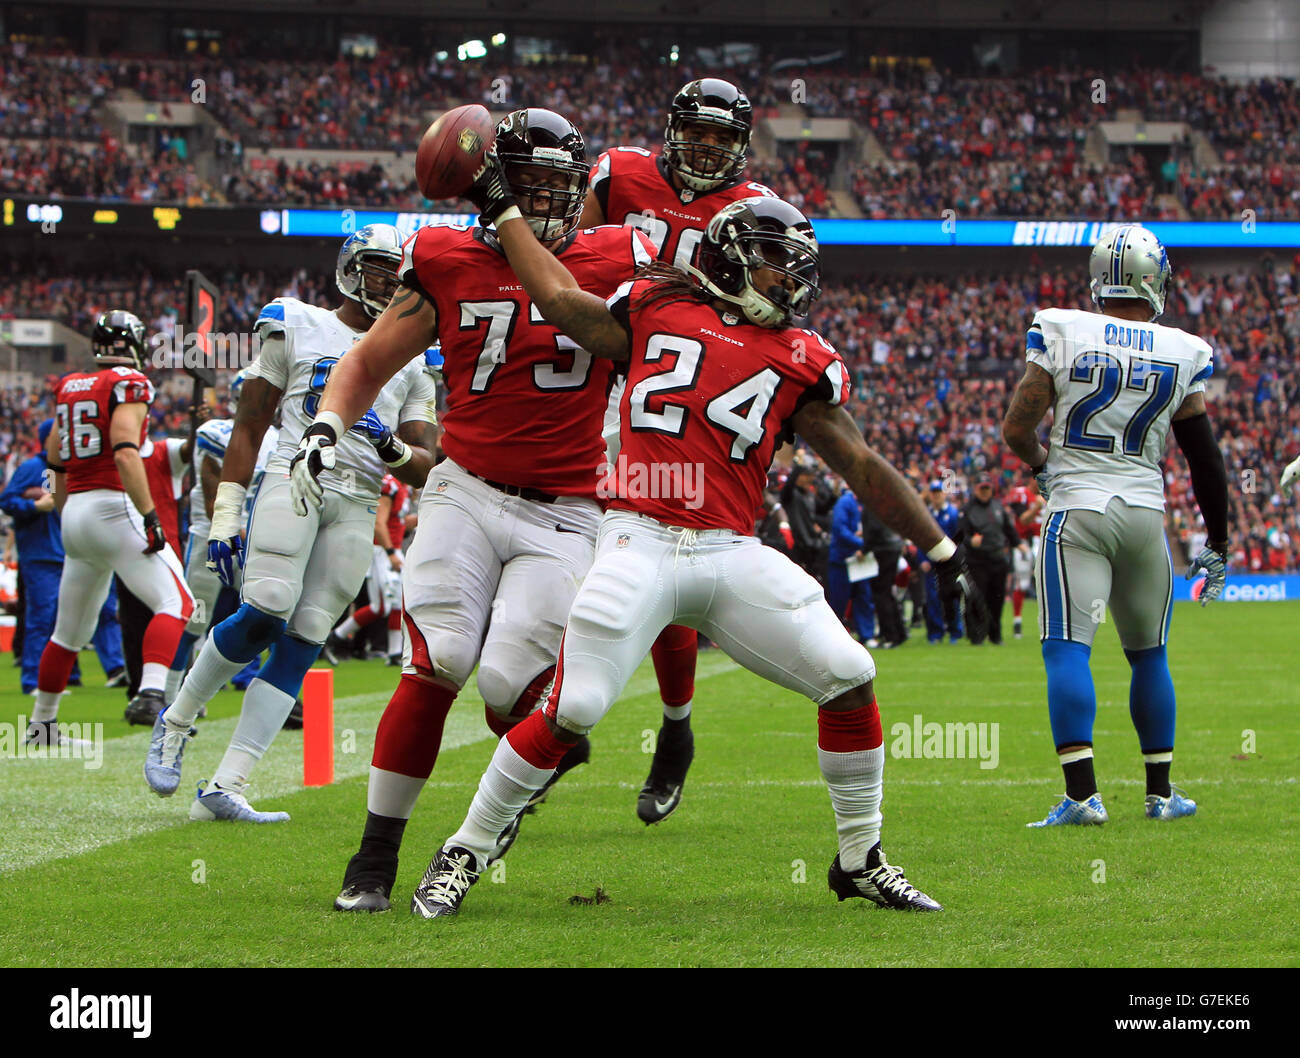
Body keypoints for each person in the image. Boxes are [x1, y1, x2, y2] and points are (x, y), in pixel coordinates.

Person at [391, 170, 988, 918]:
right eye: (778, 260)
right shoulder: (655, 305)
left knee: (849, 671)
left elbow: (862, 465)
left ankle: (860, 858)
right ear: (735, 260)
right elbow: (561, 303)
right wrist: (507, 212)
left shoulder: (798, 353)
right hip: (637, 536)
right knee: (573, 704)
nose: (791, 279)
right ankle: (465, 850)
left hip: (728, 550)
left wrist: (941, 549)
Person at [289, 109, 658, 912]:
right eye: (528, 188)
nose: (550, 202)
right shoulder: (447, 257)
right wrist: (324, 425)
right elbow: (368, 358)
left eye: (562, 188)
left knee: (503, 683)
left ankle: (527, 759)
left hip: (568, 508)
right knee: (439, 661)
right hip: (467, 485)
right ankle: (374, 857)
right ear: (492, 188)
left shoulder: (617, 257)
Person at [143, 224, 438, 823]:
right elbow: (250, 423)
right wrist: (225, 515)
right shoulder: (296, 320)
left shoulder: (414, 355)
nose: (388, 283)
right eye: (378, 270)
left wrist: (391, 450)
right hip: (294, 474)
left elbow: (426, 466)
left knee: (305, 638)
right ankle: (174, 721)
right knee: (266, 609)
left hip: (357, 497)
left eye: (396, 273)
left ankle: (227, 784)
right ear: (350, 269)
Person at [578, 77, 777, 824]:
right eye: (700, 132)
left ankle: (676, 723)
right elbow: (574, 258)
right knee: (561, 543)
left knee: (669, 557)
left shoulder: (752, 210)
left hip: (678, 397)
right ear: (673, 129)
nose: (710, 147)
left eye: (726, 138)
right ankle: (546, 713)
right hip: (595, 374)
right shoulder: (619, 174)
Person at [1002, 223, 1228, 827]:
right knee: (1150, 655)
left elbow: (1016, 430)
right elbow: (1205, 458)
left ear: (1100, 278)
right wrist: (1221, 540)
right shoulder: (1183, 349)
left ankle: (1083, 797)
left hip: (1078, 508)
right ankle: (1161, 796)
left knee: (1067, 649)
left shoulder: (1062, 328)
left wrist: (1046, 468)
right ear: (1157, 282)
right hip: (1144, 515)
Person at [31, 311, 194, 746]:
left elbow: (54, 460)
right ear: (136, 344)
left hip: (78, 513)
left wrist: (67, 513)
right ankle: (150, 693)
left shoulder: (69, 386)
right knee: (178, 602)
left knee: (69, 633)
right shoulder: (129, 382)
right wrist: (148, 513)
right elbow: (125, 450)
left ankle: (42, 724)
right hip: (112, 505)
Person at [0, 419, 124, 695]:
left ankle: (68, 675)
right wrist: (34, 505)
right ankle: (32, 680)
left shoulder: (72, 469)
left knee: (67, 618)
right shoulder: (33, 467)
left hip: (70, 551)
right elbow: (7, 500)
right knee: (42, 616)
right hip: (41, 554)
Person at [322, 471, 410, 666]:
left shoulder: (403, 486)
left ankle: (395, 653)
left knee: (397, 604)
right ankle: (337, 636)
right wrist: (390, 552)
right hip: (382, 550)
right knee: (381, 606)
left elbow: (399, 522)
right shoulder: (391, 485)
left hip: (392, 549)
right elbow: (379, 523)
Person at [958, 474, 1018, 644]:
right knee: (977, 598)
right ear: (975, 489)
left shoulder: (998, 506)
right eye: (981, 488)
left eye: (987, 488)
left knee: (997, 599)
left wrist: (1018, 544)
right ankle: (976, 635)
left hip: (998, 559)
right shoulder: (967, 509)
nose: (984, 492)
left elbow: (1008, 529)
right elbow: (960, 535)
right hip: (977, 561)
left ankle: (995, 634)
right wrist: (971, 541)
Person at [826, 481, 876, 645]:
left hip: (859, 559)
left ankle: (866, 635)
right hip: (843, 559)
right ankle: (834, 636)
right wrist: (862, 544)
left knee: (863, 596)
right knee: (839, 599)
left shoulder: (865, 503)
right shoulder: (845, 502)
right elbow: (840, 530)